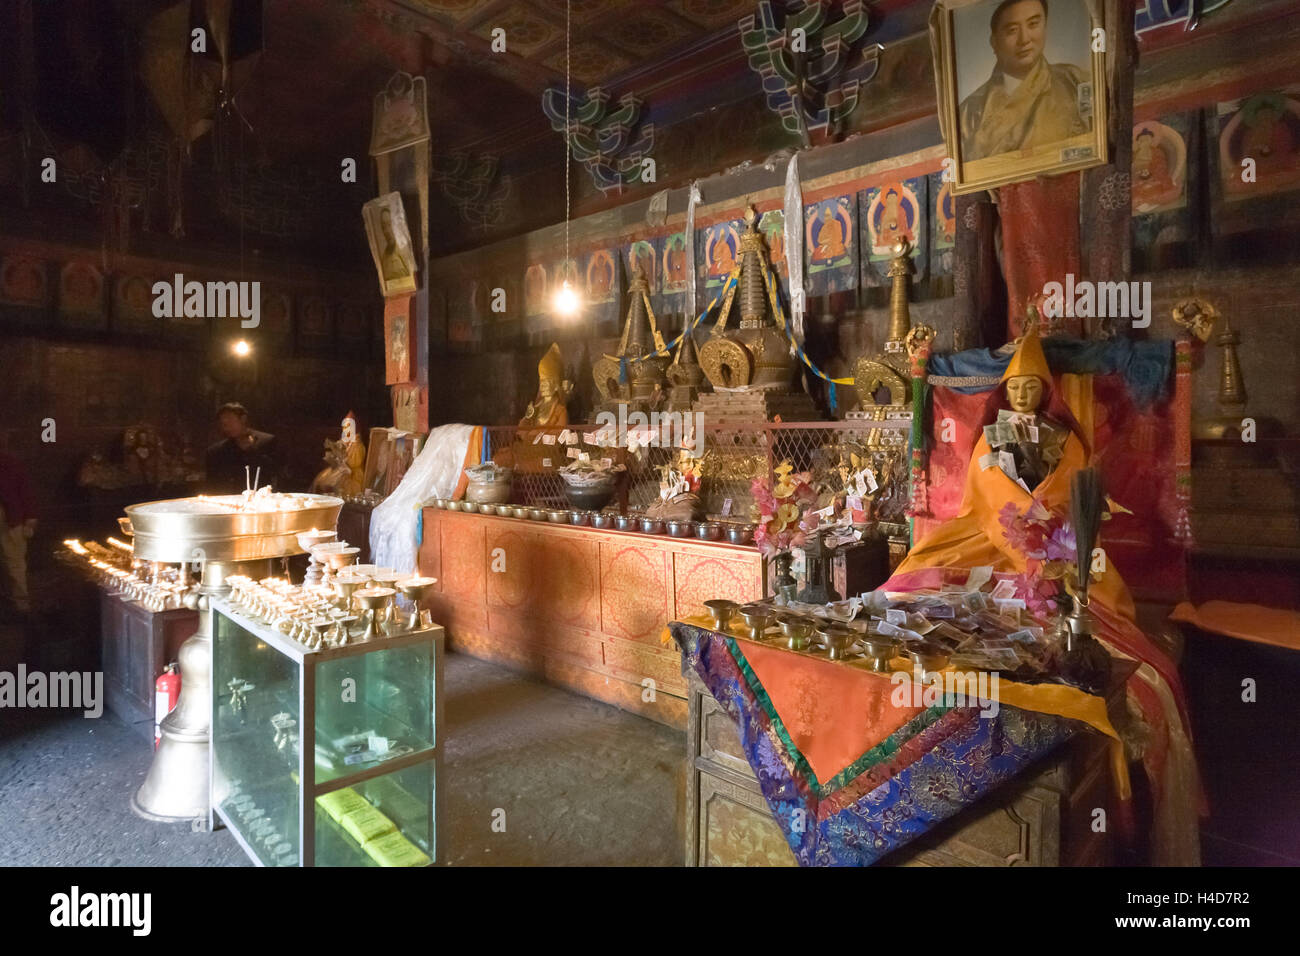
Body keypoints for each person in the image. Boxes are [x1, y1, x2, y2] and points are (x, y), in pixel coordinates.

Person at [958, 0, 1089, 162]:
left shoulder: (1074, 80)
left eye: (1033, 24)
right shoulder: (967, 112)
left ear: (1045, 27)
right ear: (994, 41)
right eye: (1012, 30)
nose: (1024, 39)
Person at [204, 403, 281, 494]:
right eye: (223, 424)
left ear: (243, 419)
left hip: (262, 501)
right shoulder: (216, 452)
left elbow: (276, 473)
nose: (227, 427)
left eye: (230, 422)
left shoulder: (267, 442)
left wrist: (253, 450)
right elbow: (213, 485)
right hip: (230, 502)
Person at [0, 443, 35, 618]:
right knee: (15, 564)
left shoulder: (10, 463)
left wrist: (29, 518)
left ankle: (21, 606)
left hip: (11, 519)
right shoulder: (11, 462)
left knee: (15, 563)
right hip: (11, 517)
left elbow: (24, 490)